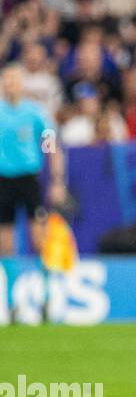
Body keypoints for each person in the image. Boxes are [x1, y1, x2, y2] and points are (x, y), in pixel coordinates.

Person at [0, 64, 66, 257]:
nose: (9, 84)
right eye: (6, 79)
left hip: (28, 178)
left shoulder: (34, 112)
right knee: (4, 243)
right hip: (3, 180)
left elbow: (51, 146)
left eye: (14, 79)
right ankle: (8, 283)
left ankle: (43, 282)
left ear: (22, 83)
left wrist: (57, 180)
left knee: (39, 237)